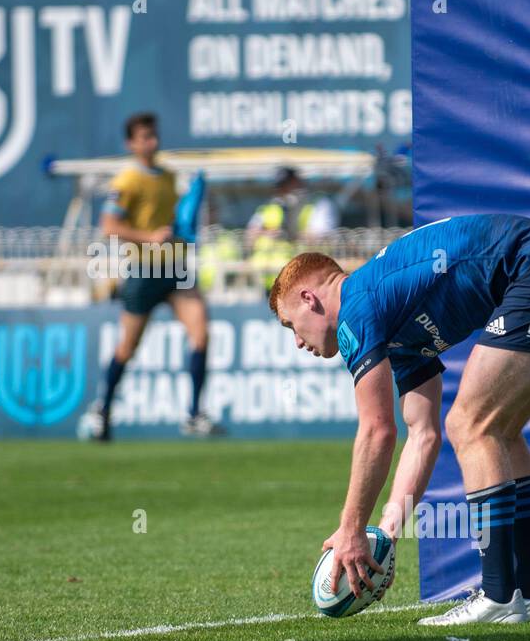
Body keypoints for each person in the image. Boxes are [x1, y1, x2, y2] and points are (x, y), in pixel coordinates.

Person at [269, 214, 530, 625]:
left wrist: (350, 530)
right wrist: (387, 533)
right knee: (499, 430)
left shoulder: (356, 304)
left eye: (291, 324)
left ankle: (500, 596)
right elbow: (422, 434)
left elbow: (378, 431)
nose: (297, 341)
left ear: (310, 298)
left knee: (471, 424)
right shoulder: (390, 320)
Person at [79, 113, 223, 440]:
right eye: (144, 137)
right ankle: (102, 410)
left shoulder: (170, 177)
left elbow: (178, 220)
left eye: (154, 135)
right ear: (131, 143)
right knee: (128, 347)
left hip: (175, 268)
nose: (152, 142)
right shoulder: (127, 181)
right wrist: (149, 237)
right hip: (144, 270)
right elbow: (109, 226)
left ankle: (194, 414)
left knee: (201, 333)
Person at [246, 167, 340, 292]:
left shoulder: (318, 204)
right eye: (282, 186)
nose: (285, 191)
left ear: (298, 182)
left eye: (289, 185)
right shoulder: (270, 206)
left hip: (309, 279)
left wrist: (292, 235)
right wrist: (269, 233)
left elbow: (322, 235)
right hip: (271, 281)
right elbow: (249, 236)